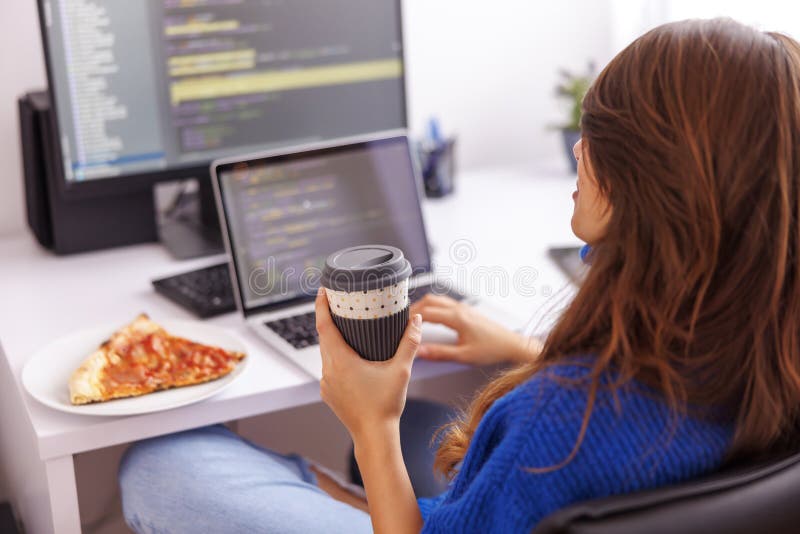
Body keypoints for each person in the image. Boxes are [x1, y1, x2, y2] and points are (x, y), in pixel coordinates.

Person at [118, 18, 800, 533]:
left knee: (162, 463)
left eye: (595, 136)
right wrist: (524, 351)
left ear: (643, 188)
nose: (577, 151)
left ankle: (335, 494)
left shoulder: (551, 425)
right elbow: (655, 405)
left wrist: (369, 422)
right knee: (428, 422)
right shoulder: (767, 343)